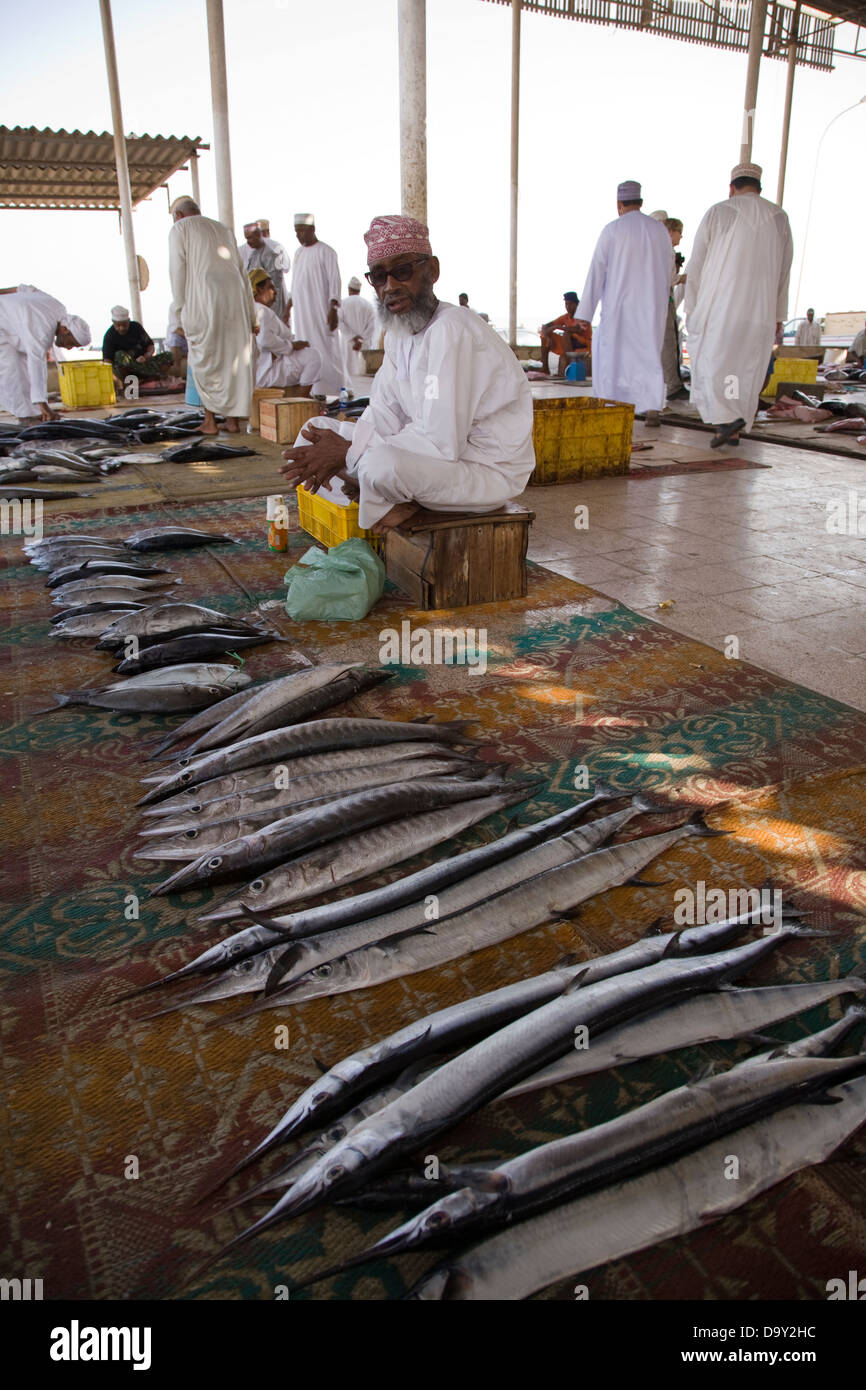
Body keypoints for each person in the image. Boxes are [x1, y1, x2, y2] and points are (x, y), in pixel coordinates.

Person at [280, 213, 535, 532]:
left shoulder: (452, 329)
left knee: (379, 465)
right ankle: (385, 499)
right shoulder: (401, 334)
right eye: (379, 276)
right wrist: (345, 449)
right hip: (438, 461)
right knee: (313, 431)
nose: (390, 286)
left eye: (402, 271)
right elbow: (383, 414)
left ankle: (389, 500)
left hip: (482, 470)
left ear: (432, 270)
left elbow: (442, 442)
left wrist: (349, 453)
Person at [685, 163, 793, 448]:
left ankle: (727, 421)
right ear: (759, 188)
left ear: (731, 187)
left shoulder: (719, 211)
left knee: (719, 365)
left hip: (722, 308)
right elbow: (784, 271)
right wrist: (778, 314)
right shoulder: (779, 217)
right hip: (760, 311)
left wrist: (693, 307)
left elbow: (696, 265)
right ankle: (732, 427)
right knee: (742, 369)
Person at [573, 181, 671, 424]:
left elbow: (597, 271)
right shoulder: (658, 230)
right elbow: (669, 269)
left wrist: (584, 314)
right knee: (648, 356)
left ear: (619, 204)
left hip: (620, 308)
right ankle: (651, 410)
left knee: (613, 357)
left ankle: (613, 406)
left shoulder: (612, 230)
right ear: (640, 202)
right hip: (651, 308)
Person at [167, 195, 258, 435]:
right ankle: (232, 421)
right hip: (235, 297)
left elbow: (177, 270)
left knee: (204, 359)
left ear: (178, 215)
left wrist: (180, 310)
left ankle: (209, 421)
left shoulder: (180, 228)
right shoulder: (223, 229)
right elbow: (242, 272)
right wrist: (251, 315)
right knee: (232, 359)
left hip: (204, 297)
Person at [0, 284, 90, 423]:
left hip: (10, 326)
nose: (69, 348)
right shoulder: (43, 332)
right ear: (65, 330)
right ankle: (27, 417)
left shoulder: (58, 307)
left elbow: (26, 289)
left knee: (21, 365)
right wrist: (44, 404)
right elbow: (36, 366)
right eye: (71, 343)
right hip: (3, 326)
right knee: (12, 372)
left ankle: (34, 413)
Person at [287, 214, 344, 396]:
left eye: (302, 231)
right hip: (302, 313)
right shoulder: (298, 253)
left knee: (326, 349)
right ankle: (313, 392)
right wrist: (288, 307)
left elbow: (335, 281)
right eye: (296, 232)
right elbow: (295, 283)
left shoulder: (326, 251)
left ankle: (333, 393)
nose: (299, 236)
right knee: (308, 349)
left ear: (312, 230)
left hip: (321, 312)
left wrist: (333, 308)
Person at [249, 269, 321, 397]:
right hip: (265, 374)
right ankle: (301, 401)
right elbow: (264, 339)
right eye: (270, 287)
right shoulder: (262, 311)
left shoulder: (248, 310)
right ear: (259, 289)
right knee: (313, 357)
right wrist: (291, 346)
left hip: (255, 373)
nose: (276, 292)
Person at [101, 306, 173, 391]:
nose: (121, 328)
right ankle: (140, 380)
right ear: (113, 322)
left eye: (124, 325)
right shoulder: (109, 336)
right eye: (118, 325)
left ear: (128, 321)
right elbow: (107, 361)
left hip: (144, 363)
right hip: (128, 370)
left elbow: (150, 346)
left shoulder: (136, 327)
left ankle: (148, 377)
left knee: (169, 355)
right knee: (120, 355)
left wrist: (145, 357)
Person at [239, 222, 291, 321]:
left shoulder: (271, 255)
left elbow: (274, 289)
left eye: (250, 238)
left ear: (259, 235)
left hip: (272, 308)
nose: (248, 242)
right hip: (260, 308)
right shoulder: (253, 254)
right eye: (247, 239)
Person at [661, 218, 687, 400]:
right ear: (671, 231)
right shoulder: (667, 251)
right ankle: (673, 385)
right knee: (669, 343)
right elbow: (669, 278)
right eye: (679, 233)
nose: (681, 237)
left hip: (655, 302)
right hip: (663, 300)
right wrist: (682, 278)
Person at [538, 292, 592, 377]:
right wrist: (548, 337)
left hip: (583, 343)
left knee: (566, 334)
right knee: (544, 337)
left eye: (570, 304)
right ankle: (545, 368)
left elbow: (576, 329)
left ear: (577, 304)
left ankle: (568, 368)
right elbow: (546, 326)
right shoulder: (565, 317)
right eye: (566, 304)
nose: (567, 307)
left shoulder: (582, 315)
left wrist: (557, 327)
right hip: (569, 343)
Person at [338, 276, 378, 384]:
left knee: (347, 374)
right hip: (363, 345)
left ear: (349, 289)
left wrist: (353, 338)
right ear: (359, 290)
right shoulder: (368, 305)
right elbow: (372, 326)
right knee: (363, 374)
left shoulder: (343, 303)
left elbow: (339, 322)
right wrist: (360, 340)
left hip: (348, 344)